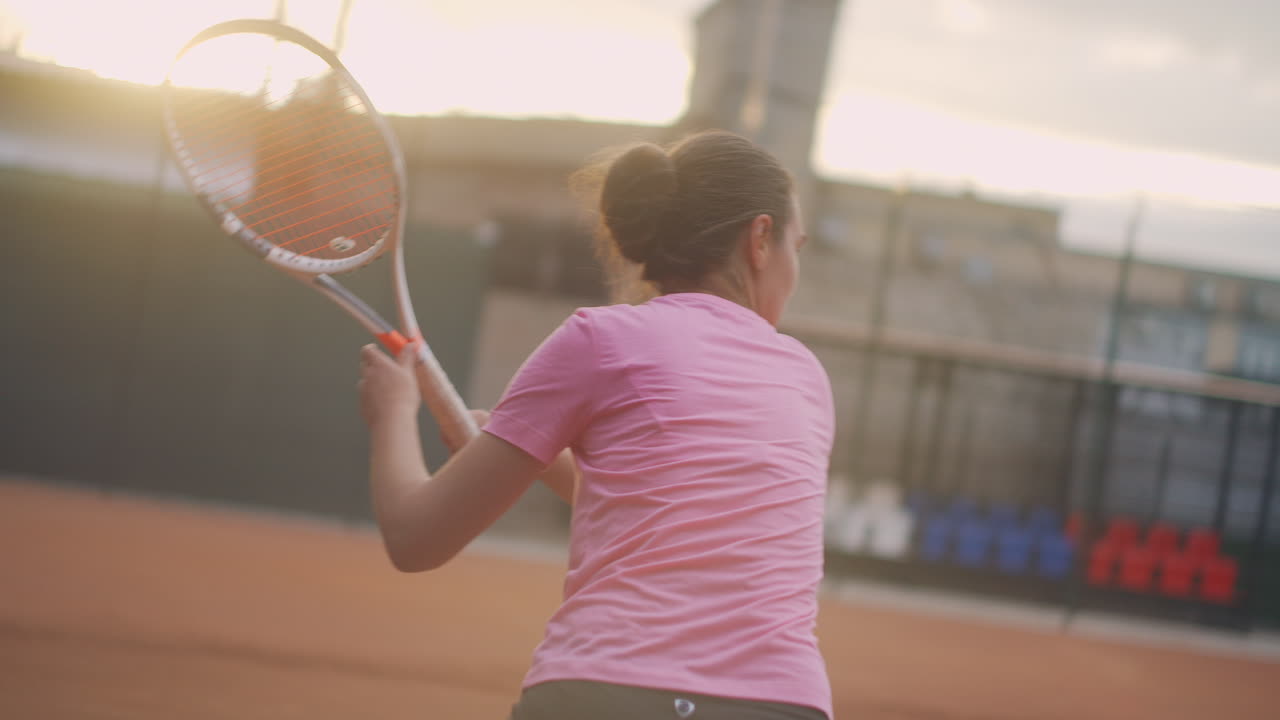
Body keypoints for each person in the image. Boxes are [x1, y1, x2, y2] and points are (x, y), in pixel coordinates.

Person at [357, 130, 835, 719]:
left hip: (606, 690)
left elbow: (415, 538)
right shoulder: (807, 377)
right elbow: (671, 506)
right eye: (796, 247)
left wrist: (393, 412)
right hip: (782, 704)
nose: (793, 269)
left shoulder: (599, 339)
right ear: (760, 239)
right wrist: (531, 459)